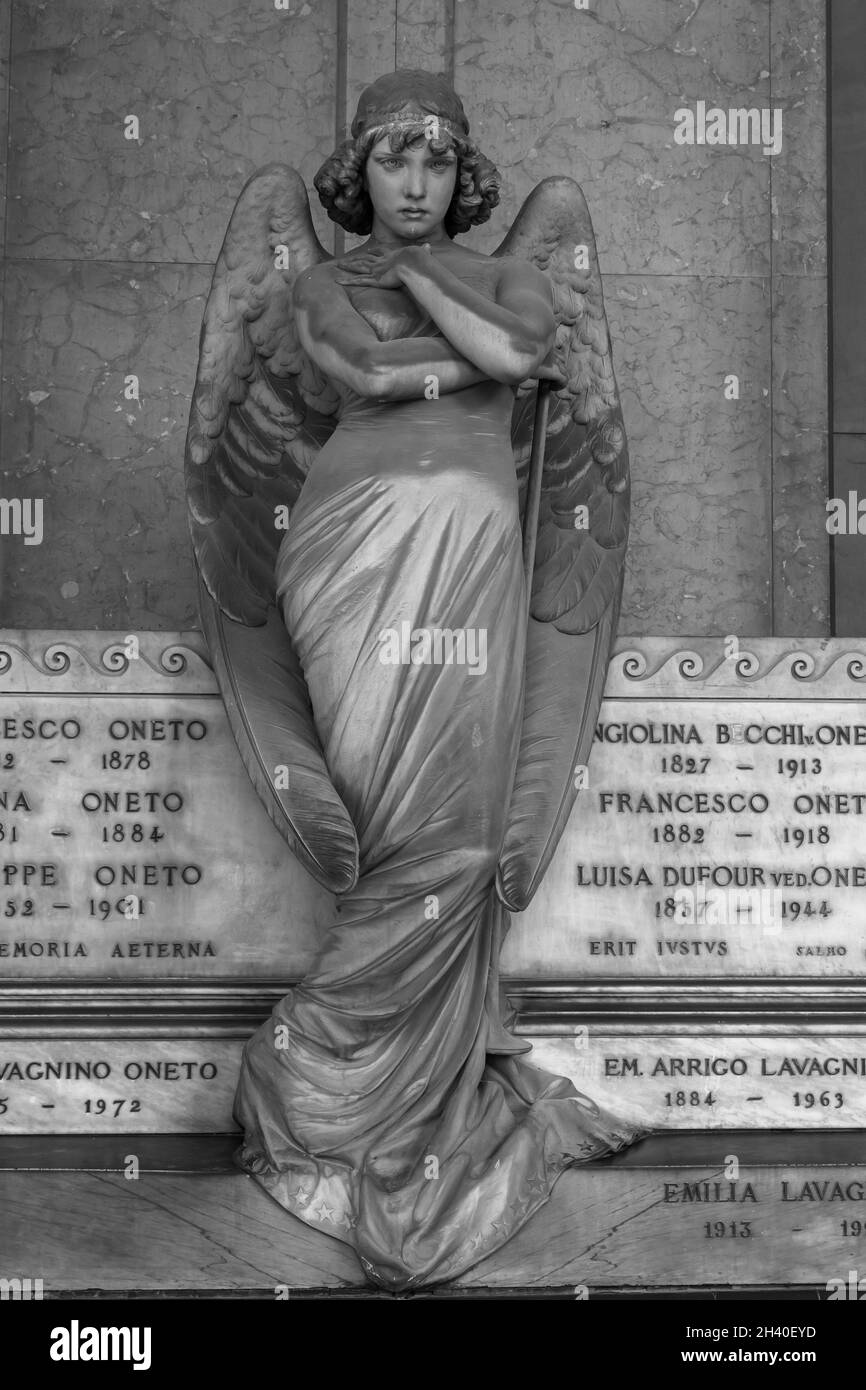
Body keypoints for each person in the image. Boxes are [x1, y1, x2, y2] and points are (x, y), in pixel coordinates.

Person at [231, 69, 644, 1291]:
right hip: (349, 552)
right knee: (385, 825)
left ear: (460, 175)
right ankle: (317, 1079)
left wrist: (423, 290)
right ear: (356, 173)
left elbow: (522, 343)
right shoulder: (314, 280)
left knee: (458, 841)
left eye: (431, 163)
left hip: (469, 566)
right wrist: (459, 352)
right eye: (388, 162)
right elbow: (360, 377)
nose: (409, 186)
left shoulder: (512, 274)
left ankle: (337, 1074)